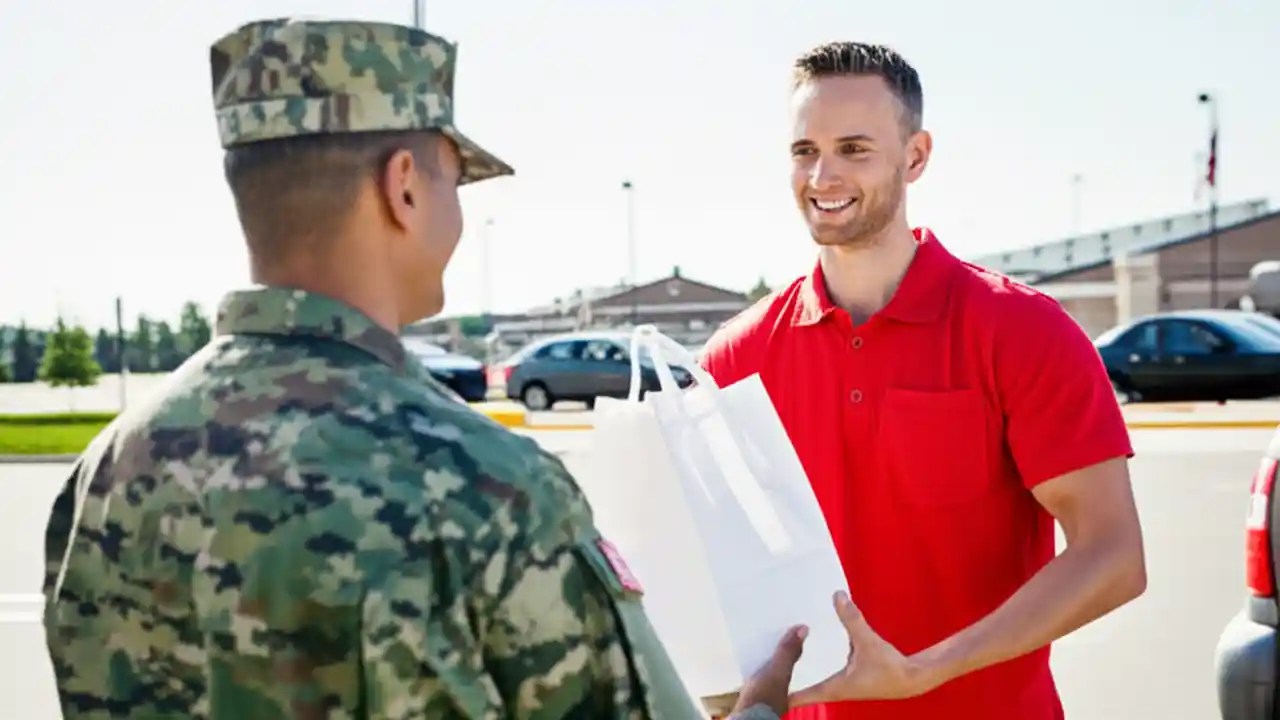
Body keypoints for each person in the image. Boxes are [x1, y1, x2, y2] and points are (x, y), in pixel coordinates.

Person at [40, 18, 810, 720]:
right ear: (404, 185)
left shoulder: (106, 476)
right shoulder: (491, 486)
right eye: (453, 180)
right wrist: (761, 710)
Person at [698, 42, 1148, 720]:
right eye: (804, 150)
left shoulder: (1022, 331)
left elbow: (1112, 555)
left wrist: (922, 674)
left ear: (915, 156)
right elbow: (715, 572)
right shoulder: (736, 356)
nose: (823, 175)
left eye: (854, 148)